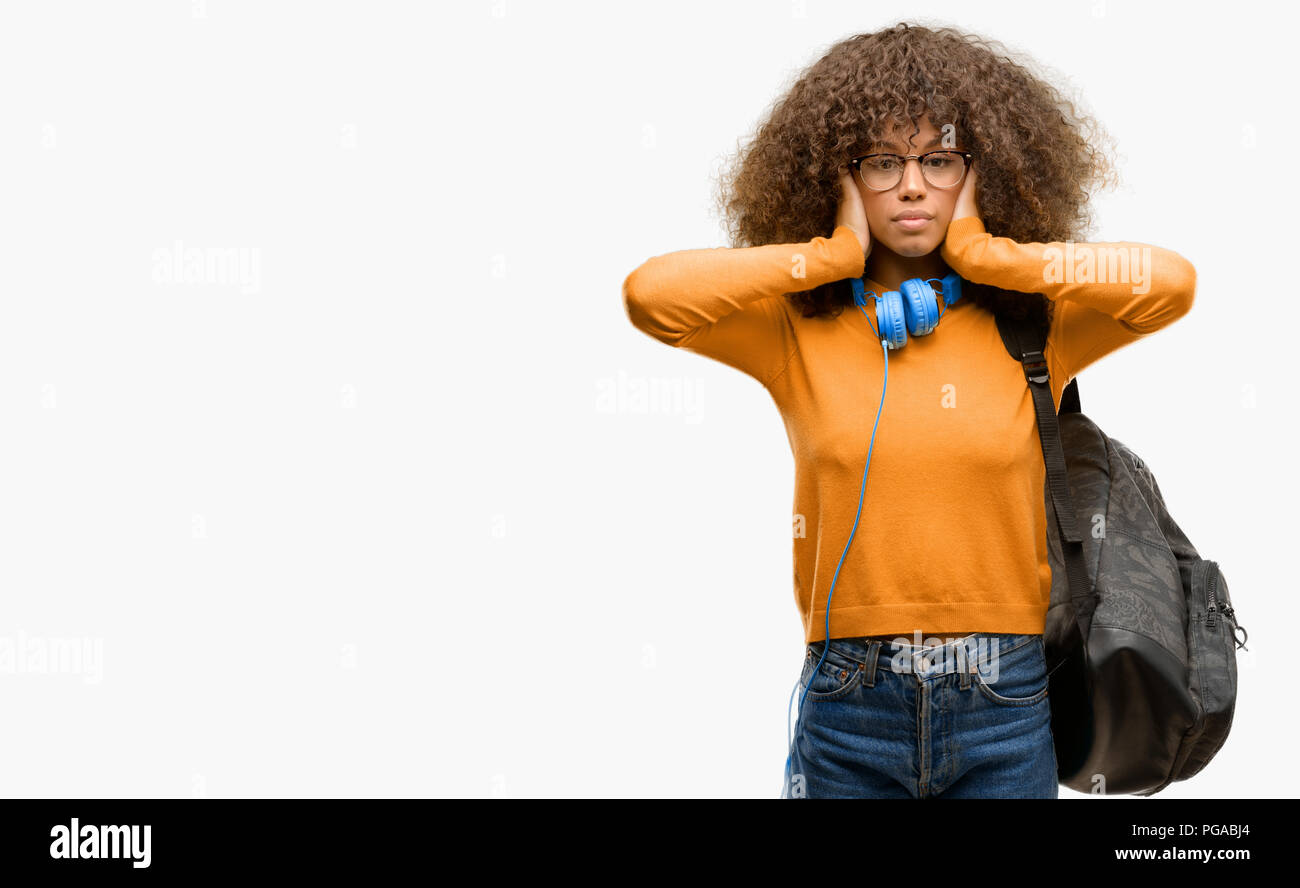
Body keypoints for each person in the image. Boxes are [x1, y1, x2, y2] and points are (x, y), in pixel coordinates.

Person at [620, 23, 1195, 798]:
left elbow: (1172, 283)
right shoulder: (793, 328)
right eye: (882, 162)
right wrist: (826, 257)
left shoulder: (1038, 327)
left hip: (1007, 694)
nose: (914, 186)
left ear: (983, 172)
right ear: (838, 178)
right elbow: (650, 298)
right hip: (849, 699)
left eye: (940, 160)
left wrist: (990, 255)